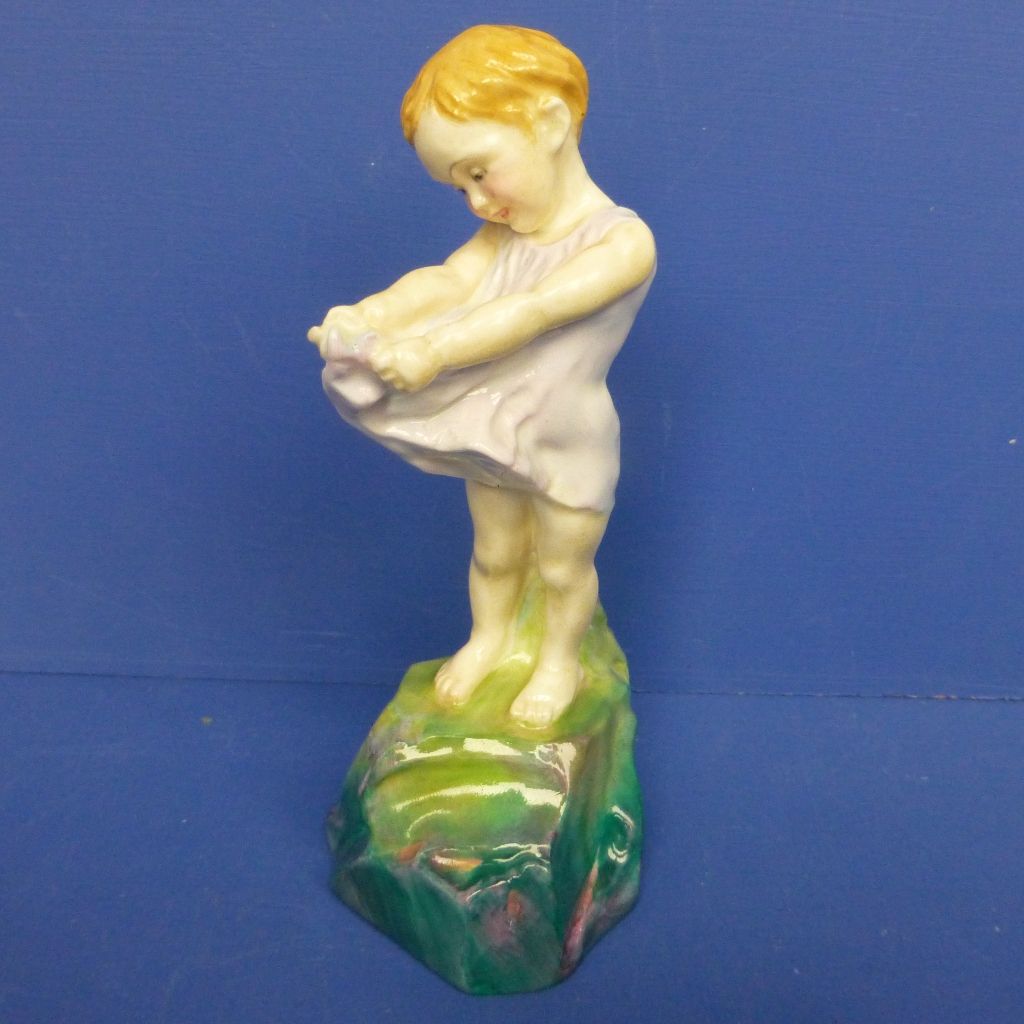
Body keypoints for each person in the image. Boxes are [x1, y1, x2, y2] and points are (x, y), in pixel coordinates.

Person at [308, 25, 656, 728]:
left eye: (477, 172)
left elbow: (534, 310)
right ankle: (488, 640)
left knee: (561, 566)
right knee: (495, 553)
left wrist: (434, 351)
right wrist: (371, 313)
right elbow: (447, 279)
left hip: (567, 437)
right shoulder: (502, 236)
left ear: (549, 124)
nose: (474, 201)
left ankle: (558, 662)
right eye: (457, 186)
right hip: (495, 425)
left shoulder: (622, 243)